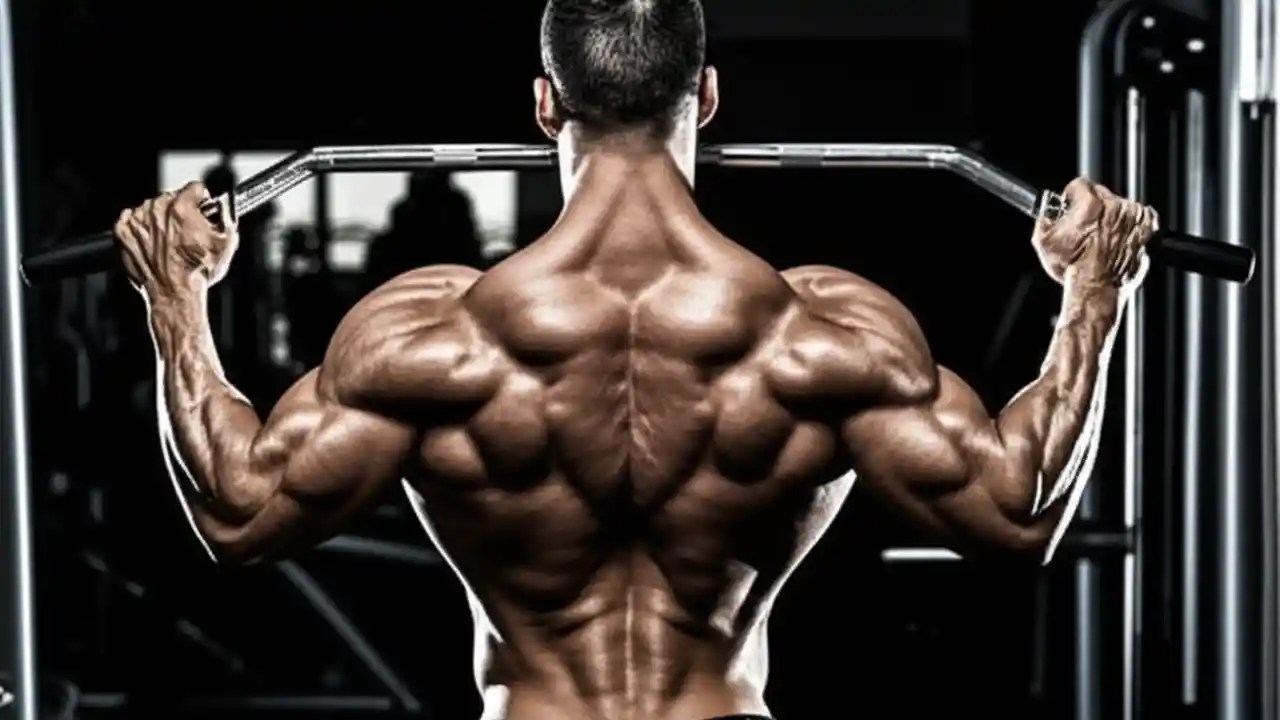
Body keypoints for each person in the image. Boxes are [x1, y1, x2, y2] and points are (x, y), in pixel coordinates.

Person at [109, 1, 1157, 718]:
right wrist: (1091, 295)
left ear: (542, 103)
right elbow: (1016, 514)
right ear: (702, 96)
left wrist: (176, 298)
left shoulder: (433, 337)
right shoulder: (817, 333)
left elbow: (238, 513)